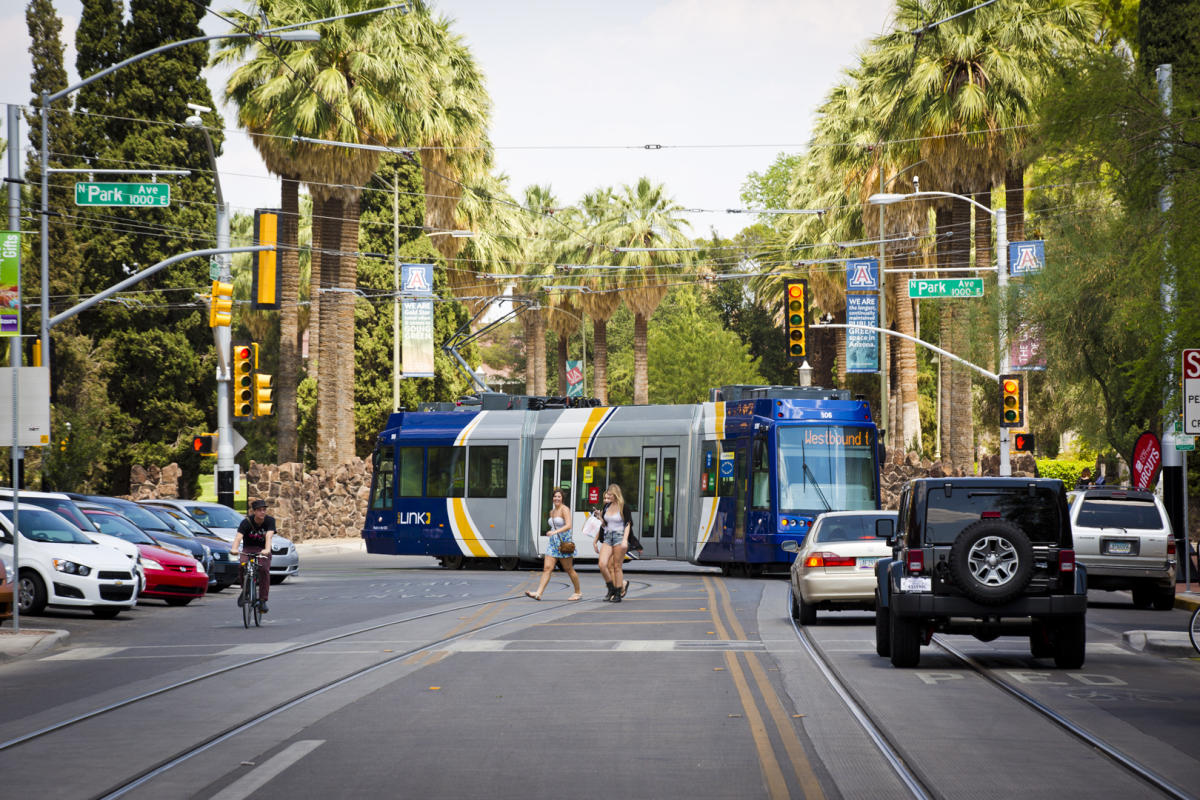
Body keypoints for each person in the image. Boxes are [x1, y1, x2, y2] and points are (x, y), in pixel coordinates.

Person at [525, 488, 582, 601]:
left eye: (559, 497)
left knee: (568, 568)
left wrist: (554, 532)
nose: (556, 498)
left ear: (562, 498)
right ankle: (538, 593)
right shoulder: (552, 511)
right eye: (555, 496)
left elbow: (569, 525)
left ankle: (578, 592)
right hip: (552, 543)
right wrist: (551, 533)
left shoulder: (564, 509)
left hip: (563, 543)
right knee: (547, 568)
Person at [231, 498, 275, 613]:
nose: (262, 512)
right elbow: (238, 537)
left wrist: (267, 549)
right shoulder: (246, 522)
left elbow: (268, 536)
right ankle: (245, 591)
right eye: (259, 510)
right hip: (248, 549)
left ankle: (262, 600)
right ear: (254, 511)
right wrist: (234, 549)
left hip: (262, 550)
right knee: (242, 566)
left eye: (264, 509)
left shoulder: (270, 521)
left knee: (264, 569)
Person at [591, 484, 632, 602]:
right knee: (602, 564)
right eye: (607, 495)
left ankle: (618, 593)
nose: (608, 496)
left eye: (610, 495)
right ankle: (611, 588)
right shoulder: (607, 506)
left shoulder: (623, 507)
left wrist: (625, 540)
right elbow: (605, 525)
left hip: (619, 536)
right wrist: (600, 517)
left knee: (617, 566)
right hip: (608, 537)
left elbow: (628, 524)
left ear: (615, 494)